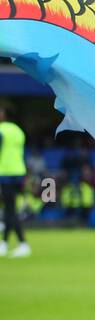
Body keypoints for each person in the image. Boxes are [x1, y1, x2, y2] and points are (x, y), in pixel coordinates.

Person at [0, 103, 31, 257]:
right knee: (10, 209)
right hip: (18, 172)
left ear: (4, 115)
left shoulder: (1, 130)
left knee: (10, 209)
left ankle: (17, 244)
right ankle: (8, 243)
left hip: (5, 173)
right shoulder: (19, 131)